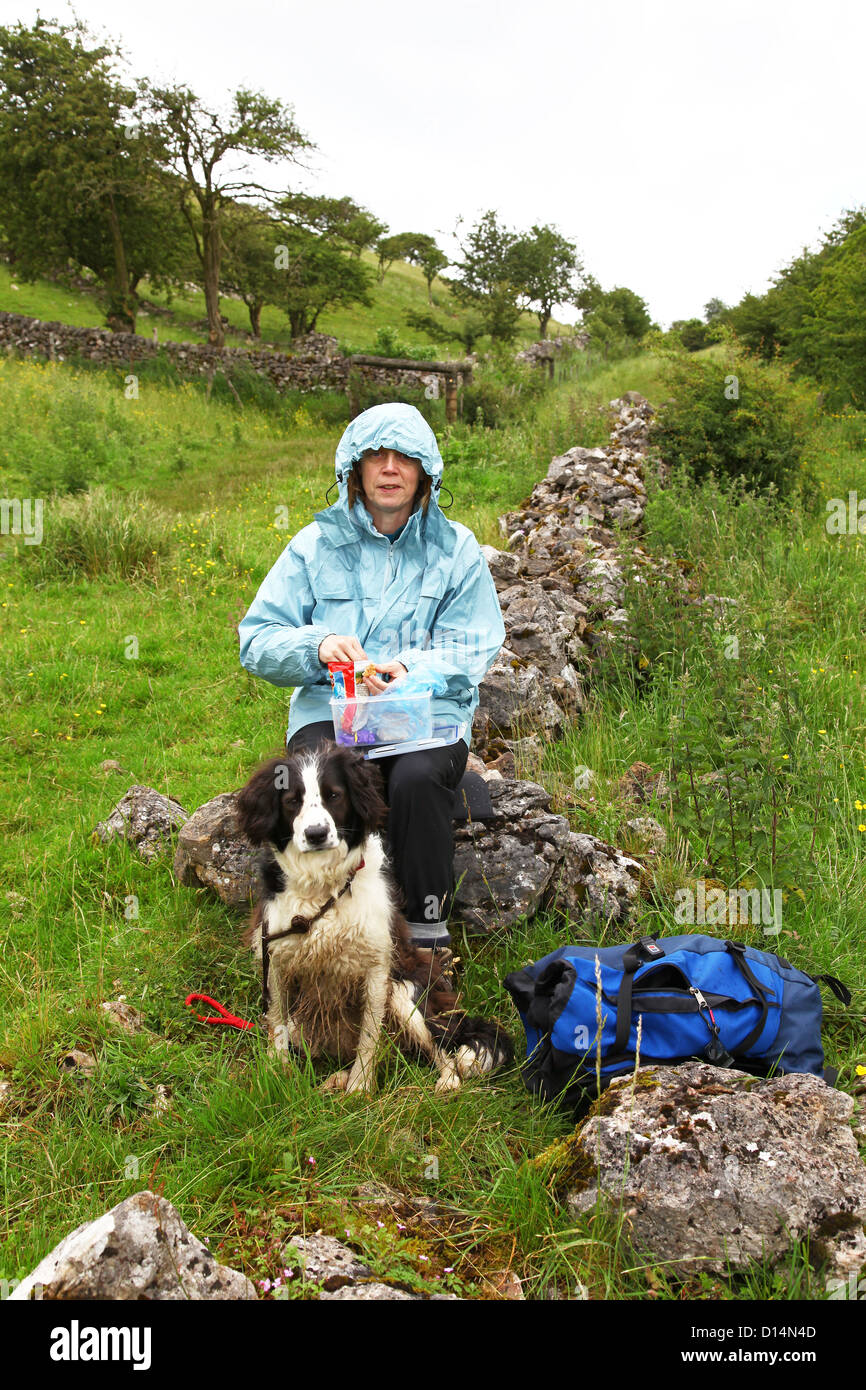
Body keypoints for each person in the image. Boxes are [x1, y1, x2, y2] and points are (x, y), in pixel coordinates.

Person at [238, 400, 505, 957]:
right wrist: (317, 646)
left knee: (414, 779)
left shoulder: (457, 550)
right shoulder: (313, 546)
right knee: (325, 782)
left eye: (404, 457)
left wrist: (410, 670)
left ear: (425, 471)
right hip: (328, 716)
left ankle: (423, 941)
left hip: (428, 719)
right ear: (353, 470)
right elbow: (256, 639)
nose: (389, 468)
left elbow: (475, 641)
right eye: (375, 456)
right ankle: (313, 927)